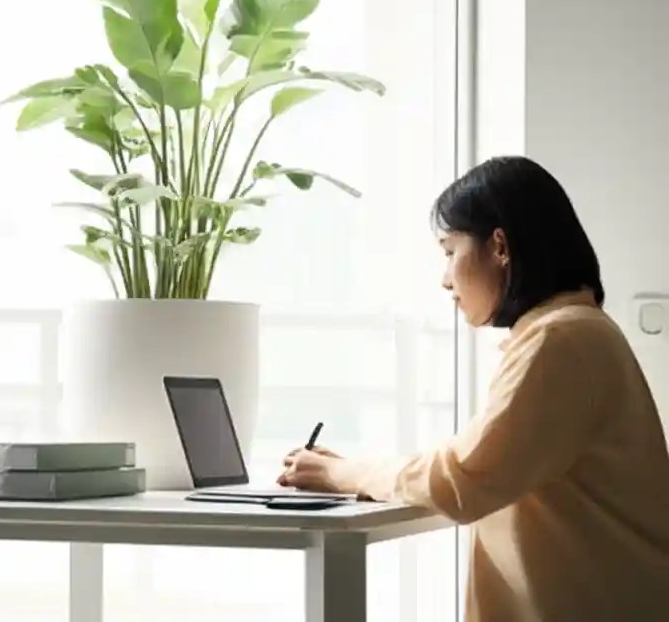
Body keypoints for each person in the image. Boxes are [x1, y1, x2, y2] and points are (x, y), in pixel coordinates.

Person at [278, 156, 669, 620]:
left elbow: (463, 481)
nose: (445, 279)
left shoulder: (560, 339)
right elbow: (479, 468)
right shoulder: (576, 331)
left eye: (449, 251)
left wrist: (340, 475)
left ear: (499, 246)